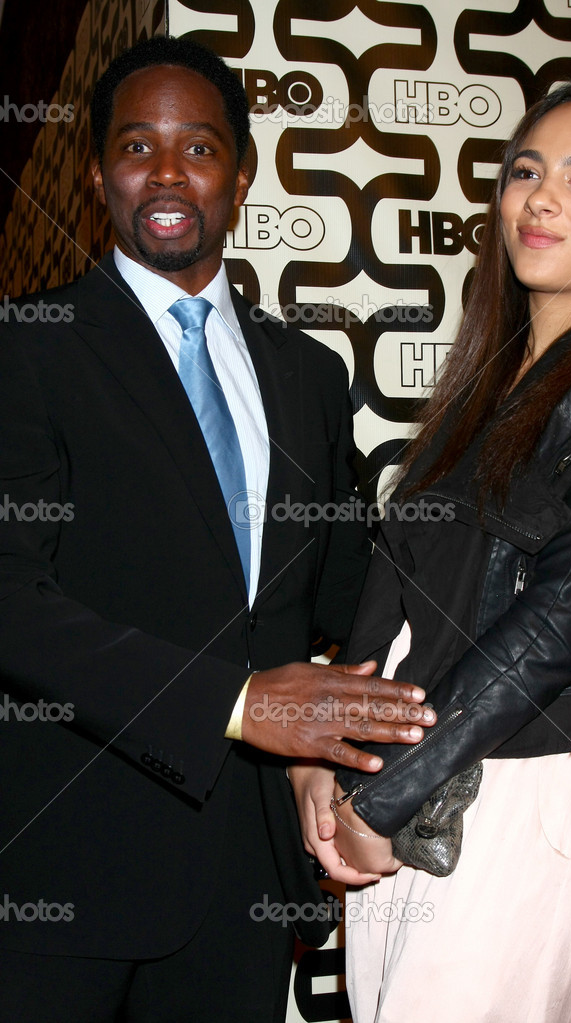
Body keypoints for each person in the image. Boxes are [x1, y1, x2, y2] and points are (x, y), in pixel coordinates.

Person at [0, 36, 435, 1023]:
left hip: (247, 876)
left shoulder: (311, 377)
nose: (164, 172)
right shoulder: (27, 349)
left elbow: (340, 600)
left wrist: (327, 751)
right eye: (134, 146)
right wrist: (234, 705)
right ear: (96, 170)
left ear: (241, 173)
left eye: (196, 147)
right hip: (61, 871)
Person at [292, 81, 571, 1022]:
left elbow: (562, 614)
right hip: (413, 787)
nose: (540, 198)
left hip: (533, 802)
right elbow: (394, 592)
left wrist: (383, 804)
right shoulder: (485, 373)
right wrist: (326, 747)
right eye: (525, 171)